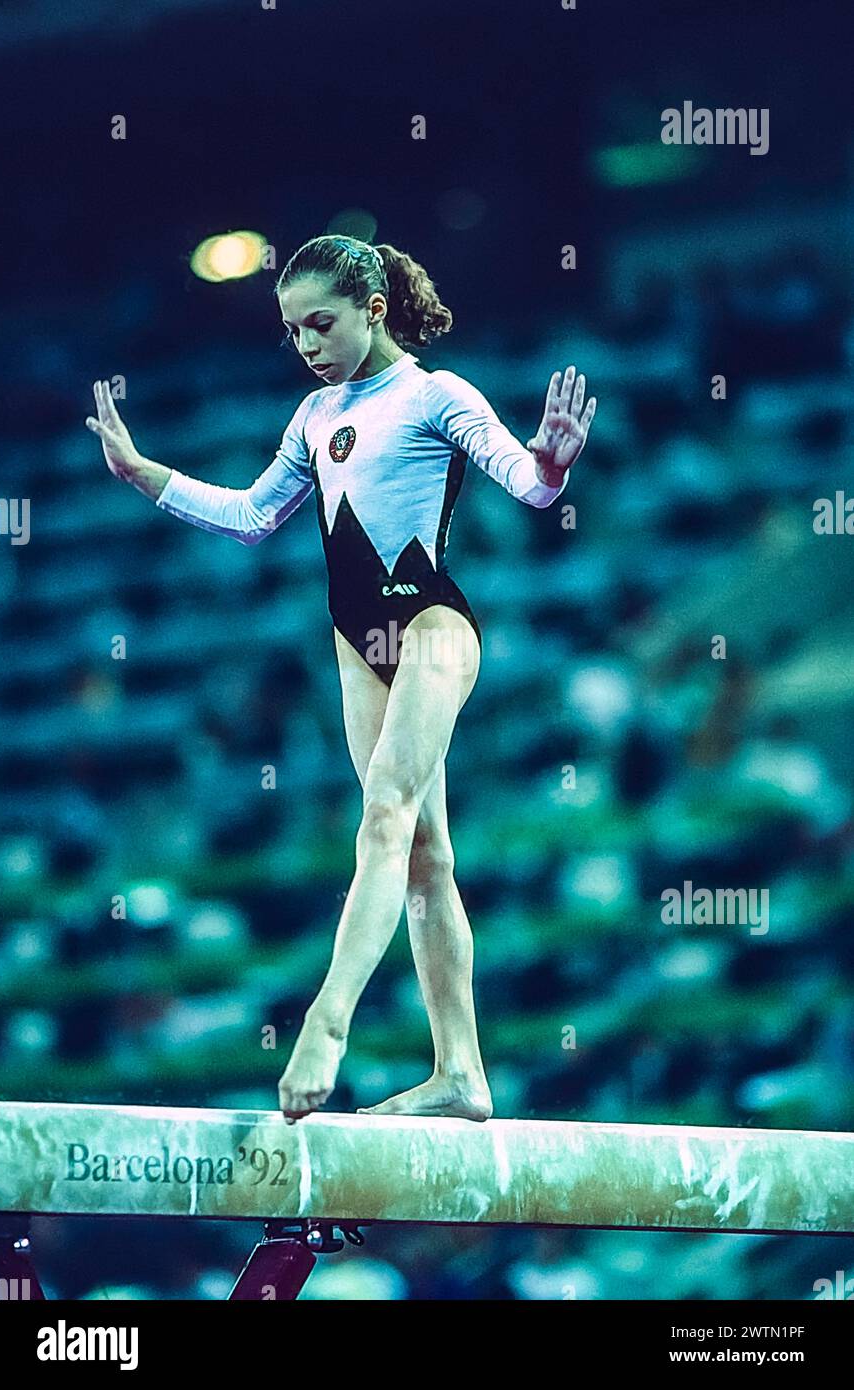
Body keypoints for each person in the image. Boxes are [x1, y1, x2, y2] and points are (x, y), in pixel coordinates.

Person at [86, 233, 596, 1123]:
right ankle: (459, 1074)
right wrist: (142, 475)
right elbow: (251, 518)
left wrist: (550, 461)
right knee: (423, 860)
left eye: (321, 323)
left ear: (373, 308)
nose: (309, 345)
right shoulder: (313, 418)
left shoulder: (434, 394)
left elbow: (528, 484)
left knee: (385, 820)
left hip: (433, 625)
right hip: (355, 642)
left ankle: (326, 1025)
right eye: (293, 333)